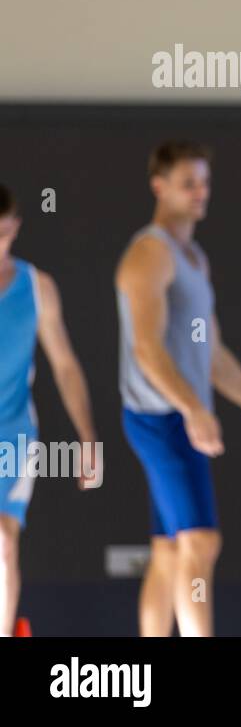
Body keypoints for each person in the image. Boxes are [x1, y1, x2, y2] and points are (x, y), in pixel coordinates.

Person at [115, 142, 241, 636]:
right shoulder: (149, 254)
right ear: (159, 186)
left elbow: (214, 357)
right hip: (159, 419)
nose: (200, 192)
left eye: (204, 182)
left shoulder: (195, 260)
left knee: (170, 549)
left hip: (177, 417)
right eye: (188, 183)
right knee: (201, 543)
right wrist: (192, 409)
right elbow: (146, 349)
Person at [0, 184, 99, 636]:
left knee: (3, 541)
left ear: (16, 227)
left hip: (13, 432)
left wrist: (87, 438)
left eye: (2, 232)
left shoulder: (37, 288)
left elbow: (65, 366)